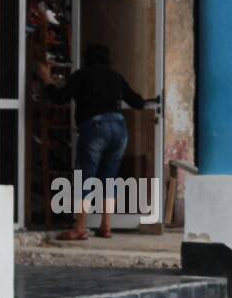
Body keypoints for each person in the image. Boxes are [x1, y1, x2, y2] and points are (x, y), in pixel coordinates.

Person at [37, 43, 153, 240]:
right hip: (118, 129)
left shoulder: (82, 75)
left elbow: (59, 97)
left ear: (86, 59)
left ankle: (80, 227)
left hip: (95, 128)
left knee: (86, 178)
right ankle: (106, 226)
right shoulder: (116, 77)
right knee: (109, 180)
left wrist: (46, 79)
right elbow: (138, 103)